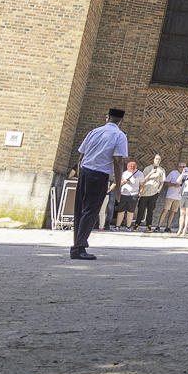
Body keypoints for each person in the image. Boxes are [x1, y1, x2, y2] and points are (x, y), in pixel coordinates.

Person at [72, 108, 128, 260]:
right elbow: (118, 161)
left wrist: (80, 173)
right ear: (121, 121)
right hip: (99, 175)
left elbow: (81, 155)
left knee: (80, 209)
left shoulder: (94, 132)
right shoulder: (120, 136)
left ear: (107, 117)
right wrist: (118, 186)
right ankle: (79, 247)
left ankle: (77, 244)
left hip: (85, 171)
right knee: (90, 211)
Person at [138, 155, 167, 230]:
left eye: (159, 159)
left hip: (154, 192)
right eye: (157, 159)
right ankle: (137, 224)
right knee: (141, 209)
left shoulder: (161, 170)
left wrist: (159, 189)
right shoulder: (147, 168)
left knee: (150, 210)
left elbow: (162, 181)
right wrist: (150, 173)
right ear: (153, 159)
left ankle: (149, 225)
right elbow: (143, 180)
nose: (158, 160)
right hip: (145, 191)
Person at [112, 160, 142, 230]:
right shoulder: (124, 173)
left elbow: (142, 184)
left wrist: (140, 193)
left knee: (130, 211)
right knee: (121, 210)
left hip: (133, 194)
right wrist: (124, 181)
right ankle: (117, 226)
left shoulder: (140, 174)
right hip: (124, 193)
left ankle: (128, 226)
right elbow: (118, 183)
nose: (131, 171)